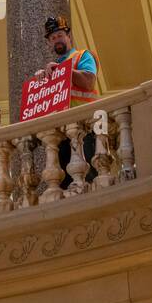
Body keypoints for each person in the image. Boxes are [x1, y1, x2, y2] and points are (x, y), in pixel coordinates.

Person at [34, 15, 99, 186]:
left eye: (60, 35)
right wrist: (40, 83)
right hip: (62, 136)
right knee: (65, 185)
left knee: (87, 179)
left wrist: (63, 70)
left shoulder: (82, 56)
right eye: (52, 38)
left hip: (85, 130)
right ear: (49, 43)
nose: (57, 40)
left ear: (68, 36)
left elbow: (89, 81)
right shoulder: (51, 69)